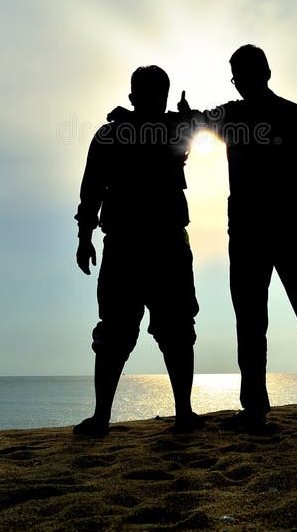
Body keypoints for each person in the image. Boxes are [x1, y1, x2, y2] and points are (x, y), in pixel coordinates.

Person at [177, 44, 297, 430]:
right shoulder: (245, 115)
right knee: (260, 321)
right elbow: (194, 121)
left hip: (283, 230)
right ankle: (262, 409)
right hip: (261, 231)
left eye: (243, 74)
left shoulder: (287, 115)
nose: (242, 82)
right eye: (238, 76)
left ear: (263, 72)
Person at [74, 65, 202, 436]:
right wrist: (84, 235)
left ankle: (179, 413)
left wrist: (84, 236)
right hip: (134, 246)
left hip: (158, 245)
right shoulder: (118, 134)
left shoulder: (144, 130)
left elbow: (90, 192)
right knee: (120, 332)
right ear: (135, 97)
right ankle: (107, 416)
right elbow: (92, 190)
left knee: (173, 329)